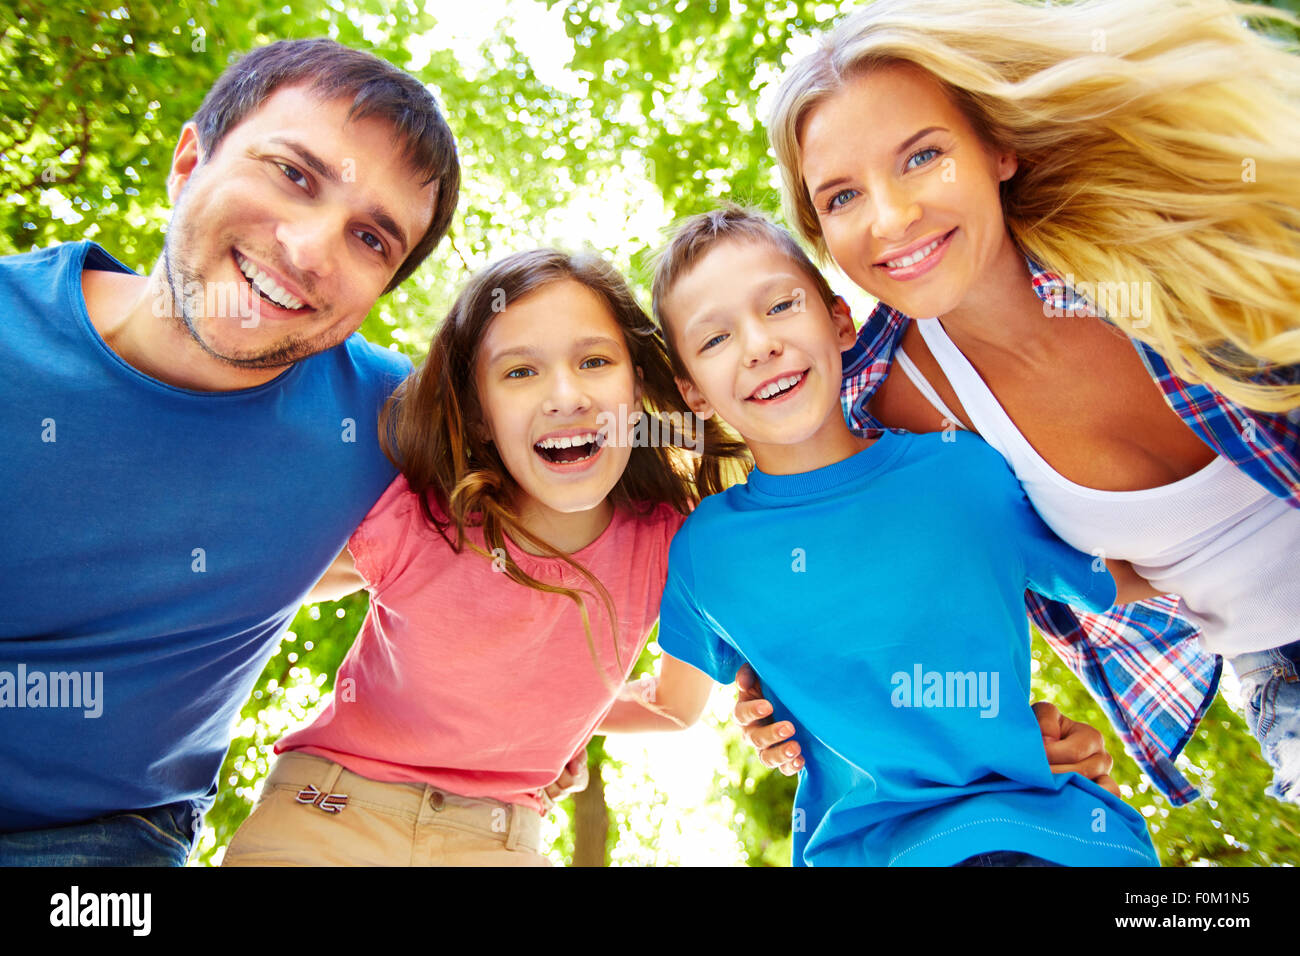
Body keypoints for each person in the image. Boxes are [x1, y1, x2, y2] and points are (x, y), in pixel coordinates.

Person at [743, 0, 1300, 806]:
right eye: (841, 197)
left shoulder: (1161, 230)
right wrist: (776, 693)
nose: (891, 218)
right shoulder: (897, 412)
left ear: (996, 146)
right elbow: (838, 580)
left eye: (922, 155)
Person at [0, 38, 460, 865]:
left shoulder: (397, 422)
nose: (312, 249)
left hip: (106, 839)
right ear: (189, 160)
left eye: (372, 240)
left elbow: (582, 507)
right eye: (292, 173)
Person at [651, 205, 1160, 866]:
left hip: (1039, 829)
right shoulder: (704, 552)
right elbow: (692, 695)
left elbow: (1119, 578)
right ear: (692, 391)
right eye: (715, 339)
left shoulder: (963, 469)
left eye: (779, 306)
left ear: (839, 320)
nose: (757, 345)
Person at [219, 249, 748, 866]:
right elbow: (239, 594)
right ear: (478, 413)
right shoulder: (418, 518)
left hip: (498, 838)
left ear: (637, 386)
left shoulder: (675, 541)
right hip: (330, 808)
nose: (565, 394)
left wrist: (552, 723)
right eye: (520, 372)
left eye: (595, 361)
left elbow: (673, 708)